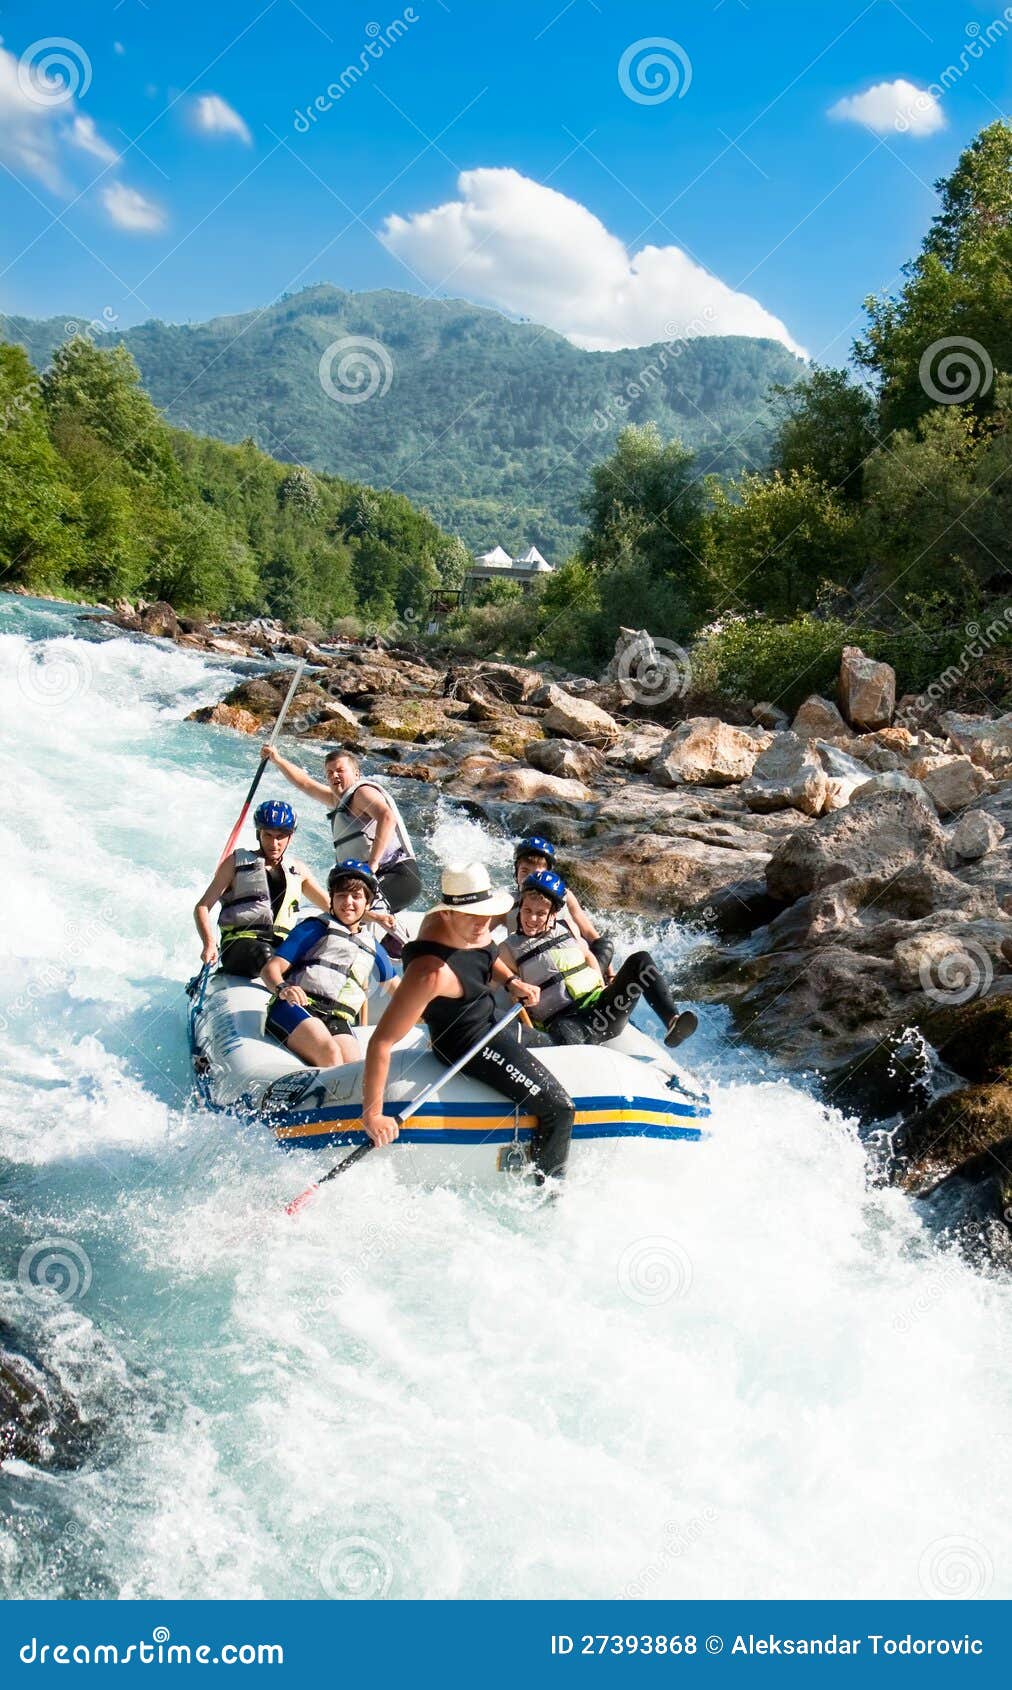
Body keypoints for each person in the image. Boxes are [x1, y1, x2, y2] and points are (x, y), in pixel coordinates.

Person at [361, 863, 575, 1185]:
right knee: (559, 1109)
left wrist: (512, 982)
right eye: (472, 916)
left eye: (485, 916)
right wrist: (373, 1115)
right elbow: (381, 1041)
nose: (482, 924)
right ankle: (549, 1195)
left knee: (561, 1044)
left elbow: (487, 954)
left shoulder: (476, 923)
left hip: (490, 1018)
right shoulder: (429, 973)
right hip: (469, 1045)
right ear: (446, 914)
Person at [501, 870, 698, 1050]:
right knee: (563, 1029)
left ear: (553, 914)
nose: (532, 919)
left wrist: (604, 985)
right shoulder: (508, 948)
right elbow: (496, 982)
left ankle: (672, 1021)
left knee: (641, 960)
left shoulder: (567, 927)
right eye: (527, 910)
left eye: (541, 913)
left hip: (605, 1010)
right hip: (567, 1022)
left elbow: (588, 956)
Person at [260, 860, 397, 1066]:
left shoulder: (373, 946)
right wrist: (283, 988)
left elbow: (401, 992)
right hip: (296, 1006)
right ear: (332, 899)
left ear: (368, 904)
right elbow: (270, 969)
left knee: (353, 1068)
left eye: (356, 896)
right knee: (330, 1052)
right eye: (341, 895)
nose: (347, 902)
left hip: (336, 1019)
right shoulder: (315, 928)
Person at [260, 743, 421, 913]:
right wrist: (277, 760)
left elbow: (387, 817)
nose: (334, 775)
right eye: (329, 773)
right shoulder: (337, 800)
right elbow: (305, 784)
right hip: (369, 878)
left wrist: (372, 865)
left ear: (356, 774)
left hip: (397, 874)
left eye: (340, 770)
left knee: (349, 910)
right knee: (342, 910)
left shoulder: (362, 793)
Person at [194, 800, 328, 978]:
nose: (274, 843)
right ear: (258, 834)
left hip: (281, 948)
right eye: (268, 835)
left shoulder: (298, 870)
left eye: (280, 837)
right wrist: (209, 944)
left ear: (290, 837)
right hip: (240, 945)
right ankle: (281, 986)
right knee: (264, 953)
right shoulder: (234, 862)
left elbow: (331, 907)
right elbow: (202, 907)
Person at [511, 835, 615, 975]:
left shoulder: (565, 895)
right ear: (516, 871)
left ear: (548, 874)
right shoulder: (507, 902)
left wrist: (611, 974)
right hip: (539, 964)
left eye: (536, 873)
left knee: (605, 945)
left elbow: (589, 933)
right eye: (524, 871)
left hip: (574, 958)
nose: (529, 878)